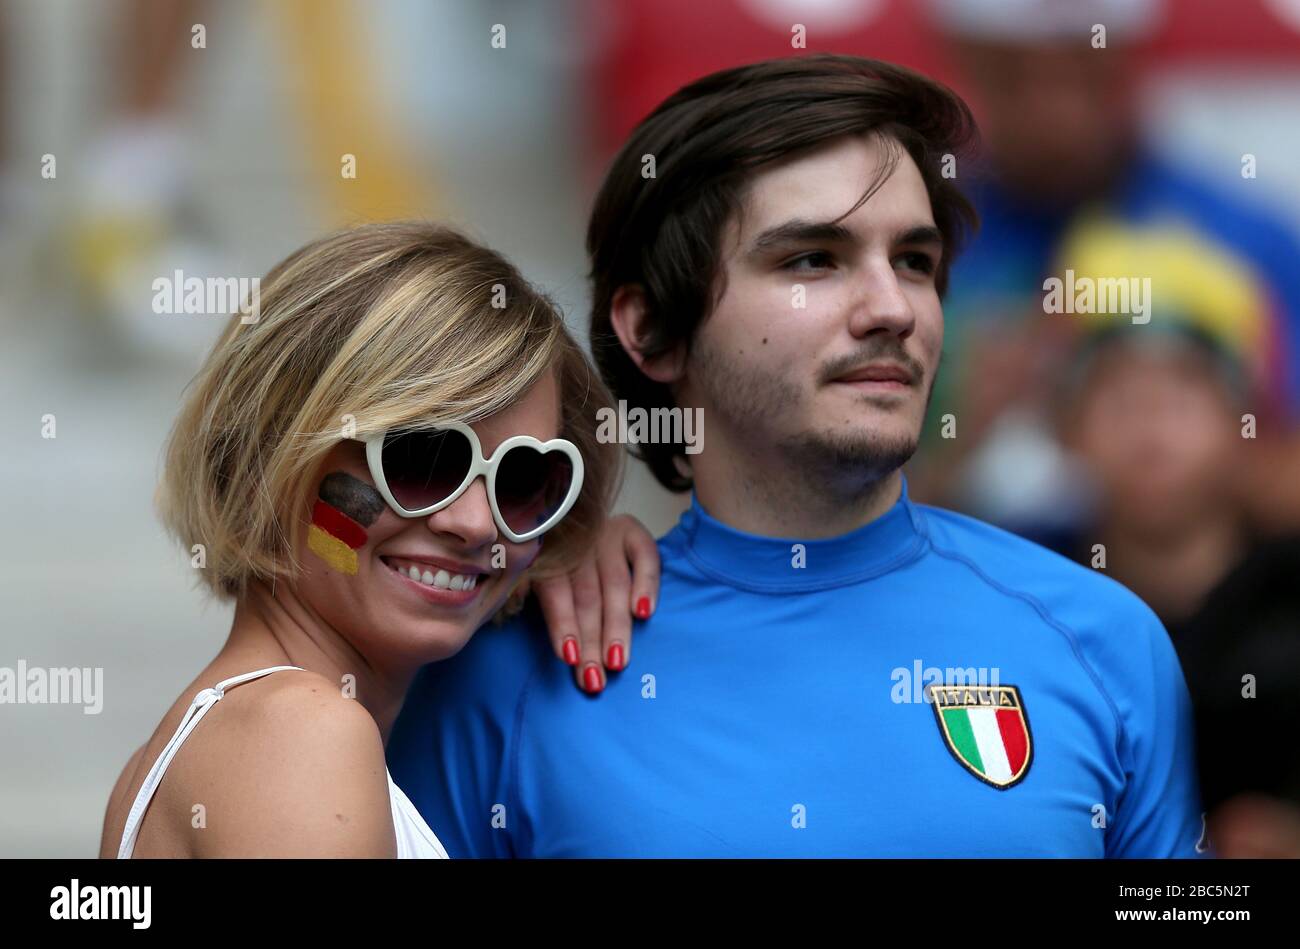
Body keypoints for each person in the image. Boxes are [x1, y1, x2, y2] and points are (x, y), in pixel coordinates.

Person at [387, 55, 1204, 857]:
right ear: (651, 331)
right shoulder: (501, 675)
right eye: (813, 259)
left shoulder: (1105, 639)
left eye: (915, 262)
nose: (892, 308)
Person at [98, 221, 658, 858]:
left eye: (527, 480)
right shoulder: (302, 736)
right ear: (270, 453)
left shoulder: (209, 743)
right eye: (422, 457)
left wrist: (584, 553)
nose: (476, 524)